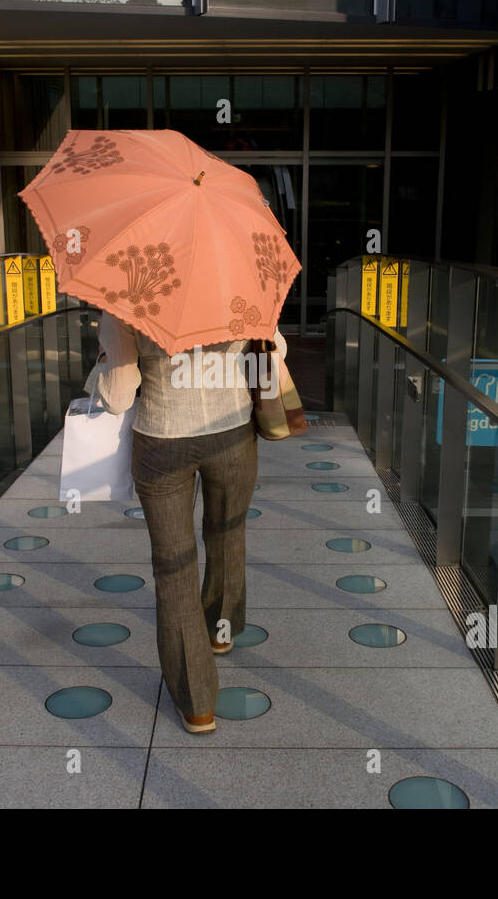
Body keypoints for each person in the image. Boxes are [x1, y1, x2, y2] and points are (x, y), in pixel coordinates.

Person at [85, 311, 286, 734]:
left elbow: (120, 395)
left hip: (162, 439)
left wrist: (103, 362)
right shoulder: (242, 284)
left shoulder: (127, 290)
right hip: (232, 431)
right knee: (227, 534)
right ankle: (222, 629)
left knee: (173, 567)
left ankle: (197, 705)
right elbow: (277, 352)